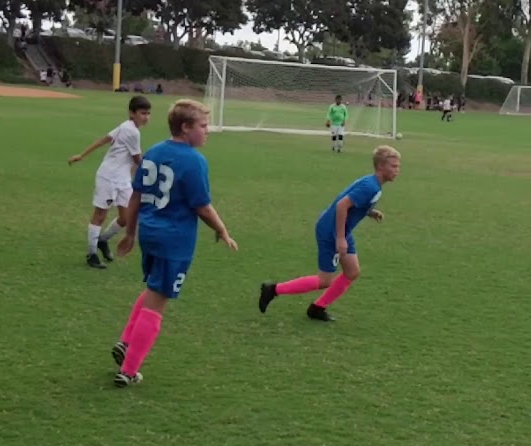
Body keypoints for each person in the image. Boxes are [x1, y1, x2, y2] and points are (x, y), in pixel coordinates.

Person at [109, 99, 238, 387]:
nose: (208, 131)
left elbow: (136, 196)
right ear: (185, 128)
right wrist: (222, 230)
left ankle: (126, 343)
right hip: (174, 239)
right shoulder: (193, 160)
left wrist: (130, 233)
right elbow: (202, 206)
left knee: (153, 289)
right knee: (158, 302)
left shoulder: (154, 151)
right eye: (203, 126)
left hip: (150, 233)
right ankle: (129, 371)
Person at [258, 146, 401, 322]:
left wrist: (370, 212)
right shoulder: (370, 186)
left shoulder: (373, 184)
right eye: (393, 166)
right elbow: (342, 205)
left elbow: (352, 202)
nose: (397, 170)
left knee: (352, 271)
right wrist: (340, 238)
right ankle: (273, 290)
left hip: (339, 228)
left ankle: (317, 308)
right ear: (380, 166)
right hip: (331, 230)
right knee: (324, 280)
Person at [68, 96, 151, 269]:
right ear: (132, 113)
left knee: (126, 217)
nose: (146, 117)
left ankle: (103, 241)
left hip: (122, 179)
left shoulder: (126, 127)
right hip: (108, 177)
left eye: (148, 113)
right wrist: (153, 173)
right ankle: (91, 254)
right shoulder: (131, 131)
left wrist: (82, 155)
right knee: (100, 215)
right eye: (143, 113)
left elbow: (104, 139)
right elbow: (137, 160)